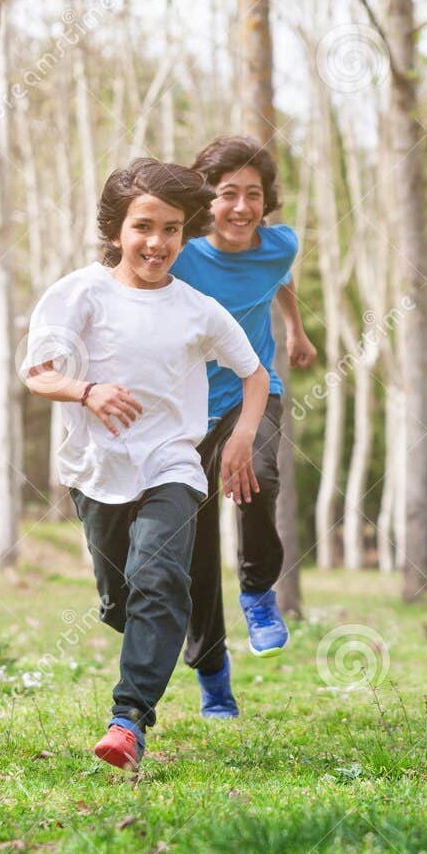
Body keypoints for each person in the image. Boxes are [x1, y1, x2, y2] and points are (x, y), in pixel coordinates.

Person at [22, 158, 269, 770]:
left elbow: (255, 374)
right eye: (144, 227)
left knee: (160, 583)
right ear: (116, 231)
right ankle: (149, 630)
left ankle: (128, 719)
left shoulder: (197, 308)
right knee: (121, 600)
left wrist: (240, 438)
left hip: (172, 465)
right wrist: (86, 391)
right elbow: (37, 373)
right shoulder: (79, 292)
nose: (157, 243)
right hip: (95, 469)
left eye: (171, 230)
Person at [172, 136, 317, 719]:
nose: (240, 207)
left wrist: (296, 332)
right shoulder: (180, 253)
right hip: (182, 411)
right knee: (195, 550)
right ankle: (213, 679)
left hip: (253, 390)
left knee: (258, 474)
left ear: (267, 201)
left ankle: (258, 592)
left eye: (252, 195)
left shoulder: (280, 244)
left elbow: (277, 278)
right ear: (205, 201)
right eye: (227, 193)